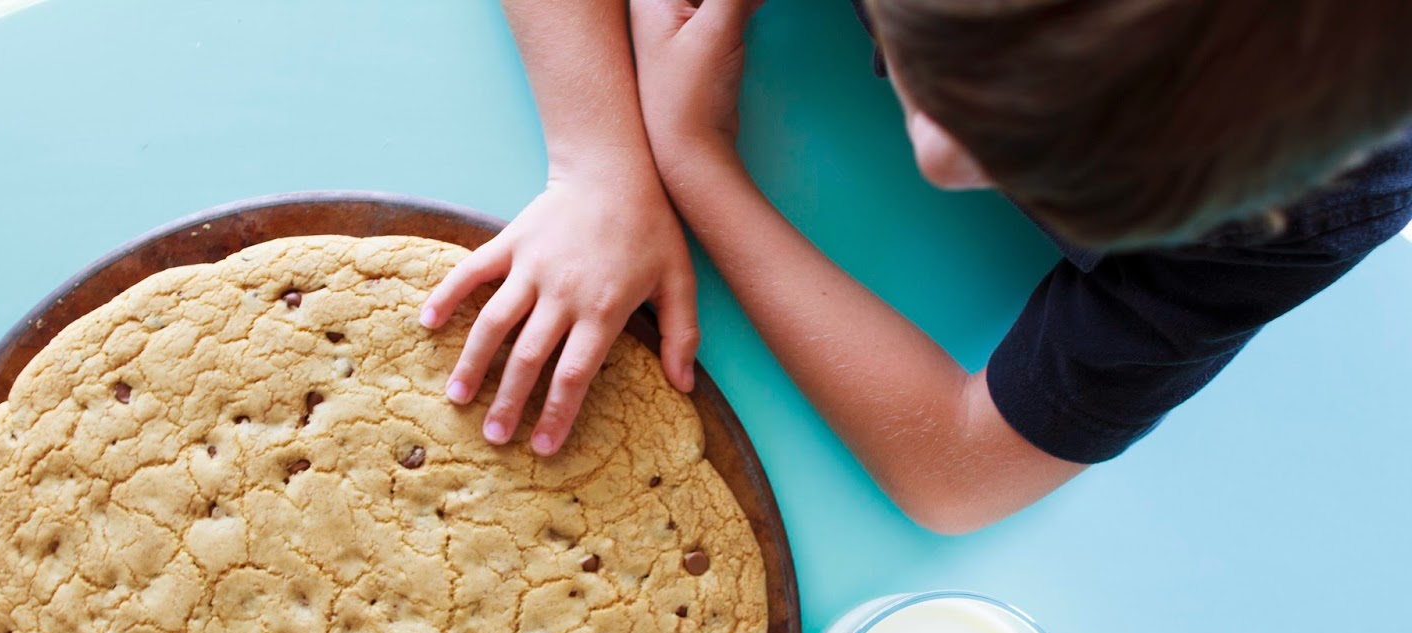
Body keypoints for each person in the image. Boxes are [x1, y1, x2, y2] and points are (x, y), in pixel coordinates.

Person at [420, 0, 1412, 533]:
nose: (937, 165)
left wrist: (694, 161)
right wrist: (597, 159)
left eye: (1027, 159)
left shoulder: (1325, 188)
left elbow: (960, 471)